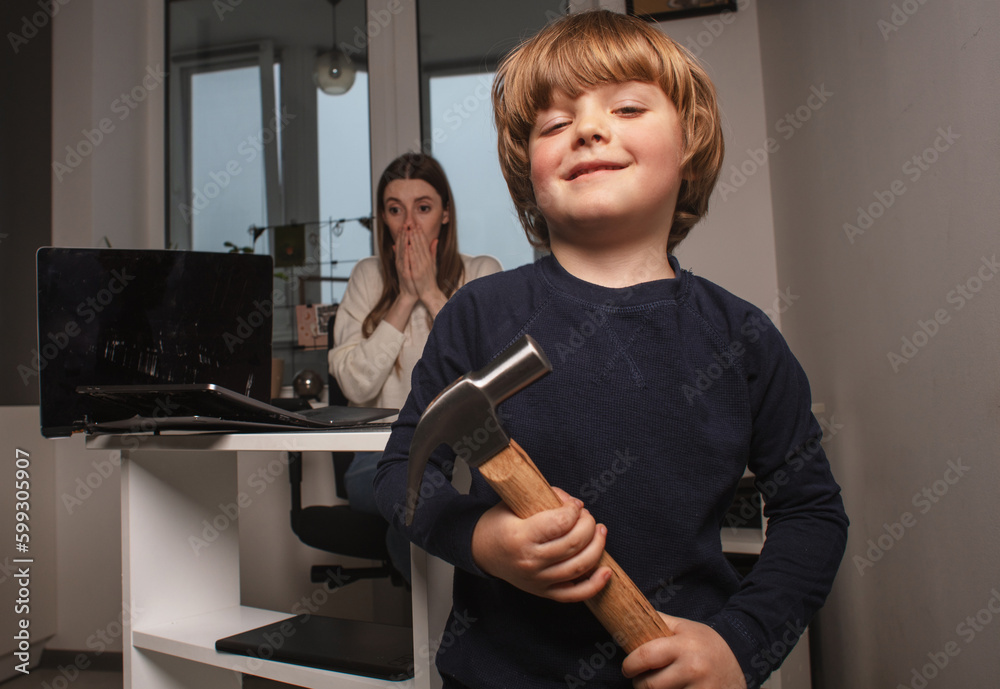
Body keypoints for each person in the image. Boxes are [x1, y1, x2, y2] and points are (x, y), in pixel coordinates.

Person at [374, 10, 848, 689]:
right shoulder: (479, 315)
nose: (590, 129)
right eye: (555, 123)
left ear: (689, 143)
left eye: (627, 106)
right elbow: (400, 474)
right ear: (527, 170)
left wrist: (740, 644)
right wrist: (485, 541)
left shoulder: (742, 338)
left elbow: (813, 513)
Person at [328, 152, 502, 582]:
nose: (409, 225)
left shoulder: (482, 273)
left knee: (425, 512)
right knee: (411, 497)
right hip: (378, 456)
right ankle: (437, 640)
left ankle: (436, 636)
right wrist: (406, 298)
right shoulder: (367, 277)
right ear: (383, 219)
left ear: (445, 214)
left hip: (464, 455)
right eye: (394, 210)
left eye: (423, 208)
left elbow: (490, 380)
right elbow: (356, 385)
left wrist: (431, 293)